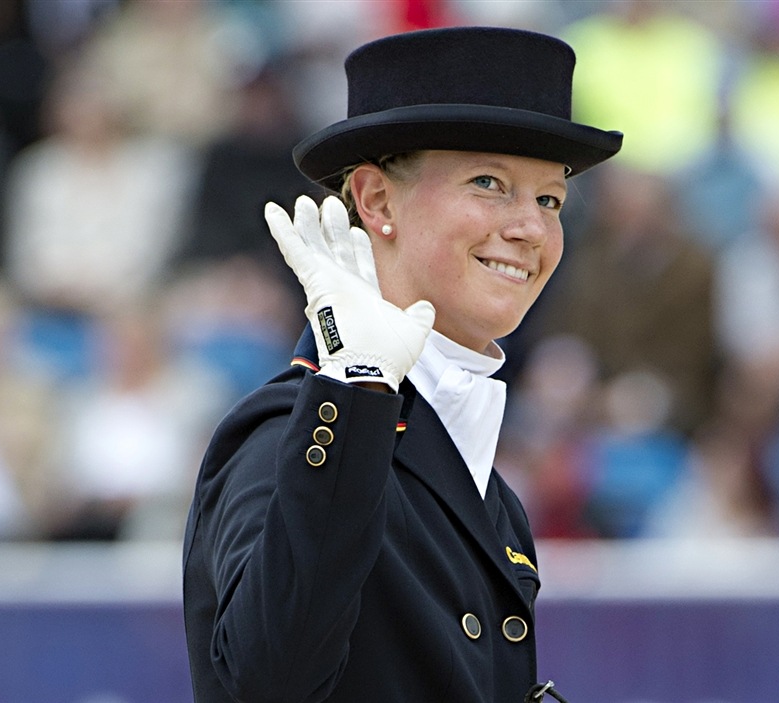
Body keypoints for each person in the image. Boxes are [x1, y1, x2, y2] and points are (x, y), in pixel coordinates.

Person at [182, 26, 621, 703]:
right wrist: (357, 386)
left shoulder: (485, 486)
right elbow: (266, 682)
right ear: (377, 200)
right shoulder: (287, 432)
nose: (532, 228)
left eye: (550, 199)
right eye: (490, 183)